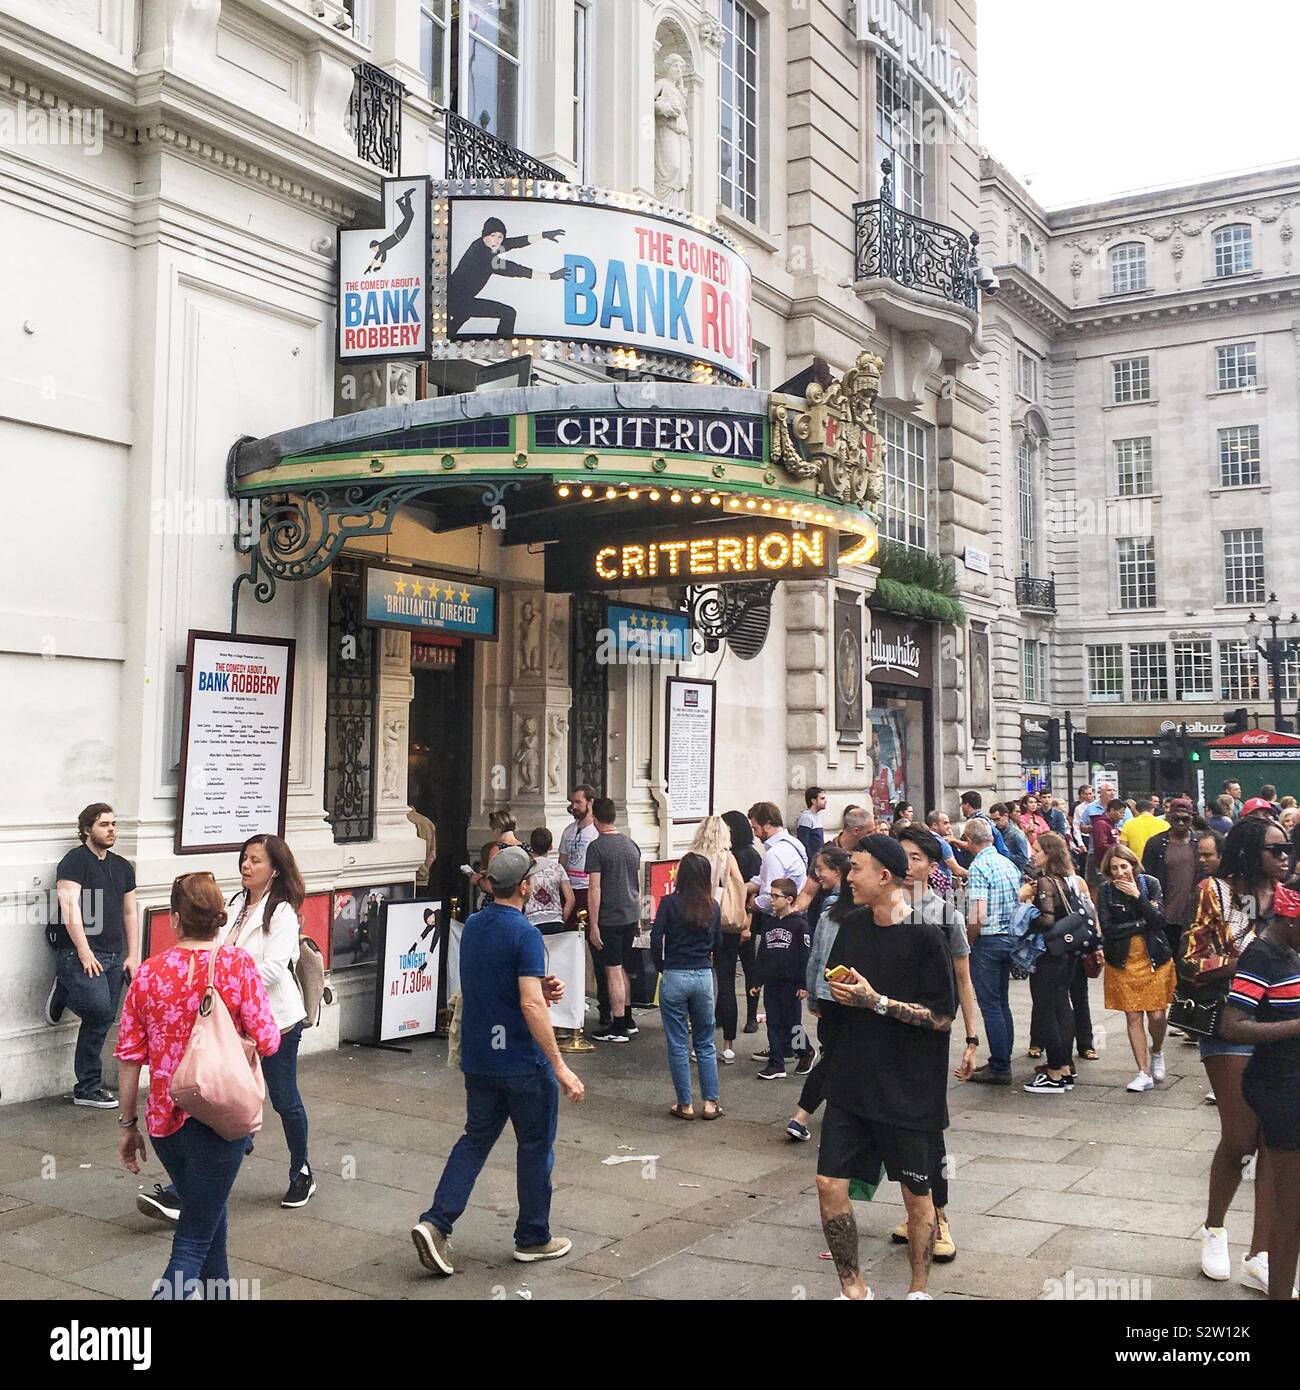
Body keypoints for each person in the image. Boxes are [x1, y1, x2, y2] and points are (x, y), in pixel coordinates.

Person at [412, 847, 583, 1276]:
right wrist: (560, 1064)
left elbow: (496, 983)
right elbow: (528, 1003)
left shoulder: (473, 926)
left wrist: (541, 985)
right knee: (535, 1146)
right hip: (522, 1060)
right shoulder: (524, 933)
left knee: (474, 1139)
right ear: (525, 886)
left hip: (480, 1056)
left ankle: (436, 1222)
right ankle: (532, 1236)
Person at [115, 872, 281, 1299]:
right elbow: (269, 1039)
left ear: (174, 919)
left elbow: (130, 1059)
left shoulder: (149, 975)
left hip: (165, 1122)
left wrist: (128, 1124)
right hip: (221, 1119)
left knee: (210, 1222)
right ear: (219, 920)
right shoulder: (237, 966)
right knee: (193, 1239)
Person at [816, 835, 957, 1301]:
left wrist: (877, 1002)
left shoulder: (924, 936)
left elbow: (940, 1017)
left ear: (885, 876)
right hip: (853, 1081)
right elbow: (838, 988)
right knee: (829, 1183)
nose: (848, 876)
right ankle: (853, 1288)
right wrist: (837, 996)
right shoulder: (851, 925)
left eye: (856, 869)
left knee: (918, 1197)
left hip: (909, 1088)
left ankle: (918, 1290)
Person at [1182, 818, 1287, 1291]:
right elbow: (1190, 959)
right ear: (1249, 851)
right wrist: (1244, 962)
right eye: (1275, 849)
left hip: (1283, 1023)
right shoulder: (1215, 892)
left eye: (1287, 849)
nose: (1284, 857)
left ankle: (1261, 1253)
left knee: (1275, 1140)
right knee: (1242, 1136)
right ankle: (1215, 1228)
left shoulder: (1290, 894)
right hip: (1230, 1020)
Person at [888, 824, 981, 1262]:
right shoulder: (880, 910)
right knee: (894, 1125)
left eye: (916, 858)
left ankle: (939, 1216)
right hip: (886, 1029)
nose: (907, 866)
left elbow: (964, 980)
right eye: (900, 856)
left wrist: (971, 1037)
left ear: (930, 865)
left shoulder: (945, 914)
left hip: (929, 1033)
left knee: (927, 1127)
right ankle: (913, 1212)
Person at [1221, 881, 1300, 1301]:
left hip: (1291, 1080)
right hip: (1280, 1089)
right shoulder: (1261, 954)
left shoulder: (1289, 950)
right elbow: (1233, 1025)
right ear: (1289, 918)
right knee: (1292, 1208)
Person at [47, 804, 141, 1108]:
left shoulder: (123, 866)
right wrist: (84, 950)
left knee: (102, 1019)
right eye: (104, 824)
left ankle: (86, 1087)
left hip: (114, 954)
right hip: (78, 952)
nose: (112, 829)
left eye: (114, 824)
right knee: (99, 1009)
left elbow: (130, 912)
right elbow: (69, 906)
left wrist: (134, 955)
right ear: (87, 829)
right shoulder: (74, 861)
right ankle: (63, 988)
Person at [1019, 833, 1093, 1096]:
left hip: (1049, 953)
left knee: (1046, 1009)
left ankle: (1054, 1071)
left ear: (1048, 854)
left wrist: (1028, 916)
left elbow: (1048, 920)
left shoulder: (1044, 883)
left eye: (1037, 850)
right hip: (1067, 952)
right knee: (1063, 1007)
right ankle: (1065, 1068)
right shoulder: (1066, 881)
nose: (1033, 855)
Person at [651, 852, 723, 1119]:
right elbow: (719, 943)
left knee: (678, 1042)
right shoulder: (712, 905)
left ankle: (685, 1104)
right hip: (703, 975)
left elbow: (656, 940)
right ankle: (710, 1103)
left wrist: (663, 967)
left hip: (675, 974)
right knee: (705, 1041)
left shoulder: (669, 903)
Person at [1098, 845, 1175, 1093]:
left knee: (1157, 1015)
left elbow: (1159, 920)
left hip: (1154, 957)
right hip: (1123, 960)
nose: (1120, 872)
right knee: (1133, 1016)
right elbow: (1108, 930)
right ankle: (1143, 1072)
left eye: (1124, 866)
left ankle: (1157, 1050)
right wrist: (1141, 924)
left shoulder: (1149, 884)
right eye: (1114, 868)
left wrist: (1137, 897)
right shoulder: (1106, 891)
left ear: (1133, 864)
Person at [787, 846, 851, 1141]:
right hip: (848, 996)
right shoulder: (850, 912)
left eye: (820, 870)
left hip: (829, 994)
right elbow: (817, 957)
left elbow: (816, 959)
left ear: (837, 872)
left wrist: (814, 995)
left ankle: (836, 1112)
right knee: (836, 1057)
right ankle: (802, 1115)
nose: (817, 876)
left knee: (835, 1055)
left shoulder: (831, 913)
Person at [964, 818, 1025, 1085]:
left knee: (990, 1005)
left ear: (969, 841)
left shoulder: (979, 866)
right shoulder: (1006, 862)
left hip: (988, 941)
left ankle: (1000, 1066)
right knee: (1002, 1003)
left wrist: (968, 940)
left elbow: (978, 913)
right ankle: (1003, 1059)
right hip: (1009, 938)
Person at [688, 816, 748, 1065]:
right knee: (726, 984)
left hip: (699, 921)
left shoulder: (693, 857)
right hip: (726, 923)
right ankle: (729, 1045)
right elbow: (740, 887)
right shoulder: (727, 857)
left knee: (703, 985)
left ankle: (702, 1042)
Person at [447, 217, 571, 338]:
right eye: (493, 235)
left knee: (462, 315)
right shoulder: (484, 258)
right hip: (455, 301)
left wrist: (543, 235)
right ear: (485, 235)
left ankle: (449, 334)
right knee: (508, 313)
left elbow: (514, 242)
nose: (496, 240)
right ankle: (502, 346)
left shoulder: (482, 244)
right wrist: (550, 276)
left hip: (456, 298)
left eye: (500, 237)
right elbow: (517, 270)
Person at [584, 798, 643, 1043]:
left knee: (612, 970)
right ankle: (628, 1018)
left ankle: (617, 1025)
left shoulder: (597, 848)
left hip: (609, 917)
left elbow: (595, 888)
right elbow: (636, 883)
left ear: (595, 819)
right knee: (624, 968)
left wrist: (594, 923)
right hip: (630, 913)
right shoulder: (631, 845)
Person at [749, 878, 811, 1080]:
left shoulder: (799, 925)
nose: (772, 900)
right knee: (773, 1022)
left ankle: (805, 1051)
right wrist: (757, 981)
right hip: (772, 983)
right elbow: (762, 953)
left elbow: (805, 956)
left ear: (789, 899)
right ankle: (776, 1064)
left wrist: (803, 984)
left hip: (791, 984)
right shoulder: (769, 923)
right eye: (771, 895)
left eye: (776, 896)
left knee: (792, 1024)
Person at [559, 785, 604, 1027]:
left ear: (590, 802)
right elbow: (562, 864)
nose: (574, 806)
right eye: (572, 802)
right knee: (566, 942)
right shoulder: (568, 831)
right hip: (570, 890)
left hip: (589, 889)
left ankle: (602, 1000)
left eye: (578, 802)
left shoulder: (596, 832)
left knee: (594, 945)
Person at [1141, 797, 1199, 962]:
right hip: (1166, 917)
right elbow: (1146, 880)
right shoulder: (1155, 844)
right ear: (1168, 818)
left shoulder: (1200, 843)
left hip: (1194, 917)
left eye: (1185, 819)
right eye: (1176, 818)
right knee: (1166, 962)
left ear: (1191, 819)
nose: (1181, 823)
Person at [723, 810, 763, 1034]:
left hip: (741, 918)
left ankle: (739, 1016)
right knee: (749, 969)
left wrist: (746, 922)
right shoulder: (751, 854)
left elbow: (752, 892)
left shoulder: (741, 855)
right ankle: (749, 1016)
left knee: (732, 970)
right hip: (747, 918)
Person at [524, 827, 575, 935]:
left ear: (531, 845)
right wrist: (562, 918)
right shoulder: (558, 868)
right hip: (555, 920)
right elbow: (570, 899)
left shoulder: (525, 869)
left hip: (532, 920)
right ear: (551, 846)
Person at [1087, 797, 1126, 893]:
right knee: (1100, 891)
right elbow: (1101, 845)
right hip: (1100, 864)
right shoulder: (1101, 824)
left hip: (1109, 863)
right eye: (1120, 813)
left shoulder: (1112, 825)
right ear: (1112, 811)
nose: (1122, 817)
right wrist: (1118, 847)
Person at [1121, 796, 1170, 863]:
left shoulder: (1128, 824)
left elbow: (1123, 848)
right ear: (1152, 810)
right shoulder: (1165, 824)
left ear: (1136, 810)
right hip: (1158, 862)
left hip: (1136, 863)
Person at [925, 809, 968, 883]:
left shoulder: (923, 838)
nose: (949, 826)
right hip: (941, 887)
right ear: (935, 825)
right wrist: (975, 874)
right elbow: (957, 870)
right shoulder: (942, 843)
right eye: (945, 823)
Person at [990, 803, 1031, 874]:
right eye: (993, 820)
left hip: (1014, 873)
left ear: (1006, 816)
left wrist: (1005, 855)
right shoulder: (994, 831)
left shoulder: (1017, 834)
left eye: (997, 819)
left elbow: (1023, 859)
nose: (995, 823)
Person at [795, 787, 827, 863]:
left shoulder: (816, 816)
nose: (825, 801)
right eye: (822, 798)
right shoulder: (806, 817)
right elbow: (803, 843)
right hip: (811, 862)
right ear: (813, 801)